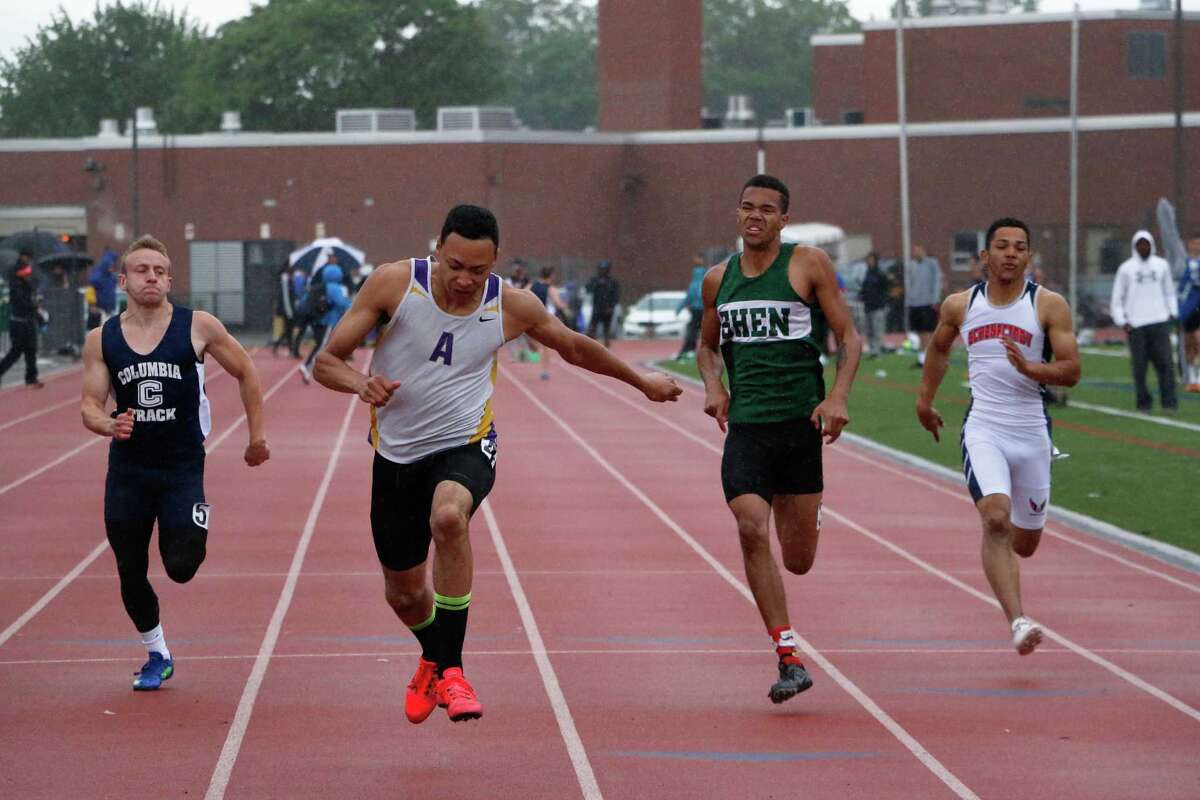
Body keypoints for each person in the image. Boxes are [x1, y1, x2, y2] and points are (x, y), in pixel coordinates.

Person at [312, 204, 681, 724]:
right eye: (455, 265)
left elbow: (574, 347)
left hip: (466, 441)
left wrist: (641, 382)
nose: (465, 280)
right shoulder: (394, 284)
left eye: (479, 269)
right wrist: (360, 383)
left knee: (448, 517)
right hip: (396, 454)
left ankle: (453, 671)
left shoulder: (511, 305)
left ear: (496, 261)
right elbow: (326, 362)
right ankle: (434, 659)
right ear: (437, 249)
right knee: (405, 595)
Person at [697, 175, 862, 704]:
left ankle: (810, 514)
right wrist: (713, 386)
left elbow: (849, 336)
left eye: (767, 209)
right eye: (747, 207)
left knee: (798, 560)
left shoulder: (807, 264)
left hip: (799, 426)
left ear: (783, 220)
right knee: (750, 526)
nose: (755, 216)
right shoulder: (718, 279)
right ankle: (788, 654)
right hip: (747, 427)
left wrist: (837, 397)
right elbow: (707, 346)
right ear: (737, 213)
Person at [79, 235, 270, 690]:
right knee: (129, 568)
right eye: (142, 270)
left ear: (169, 280)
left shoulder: (197, 326)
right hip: (128, 470)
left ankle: (194, 515)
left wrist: (256, 437)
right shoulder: (102, 339)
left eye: (160, 271)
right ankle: (157, 652)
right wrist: (107, 424)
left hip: (181, 466)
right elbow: (89, 404)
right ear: (123, 281)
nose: (152, 277)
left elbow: (246, 370)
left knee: (182, 566)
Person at [916, 218, 1080, 656]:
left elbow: (1072, 370)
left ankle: (1018, 559)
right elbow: (938, 349)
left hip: (1032, 432)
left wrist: (1032, 369)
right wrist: (924, 402)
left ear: (1029, 256)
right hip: (984, 427)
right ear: (985, 256)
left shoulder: (1048, 306)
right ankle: (1018, 621)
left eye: (1019, 247)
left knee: (1025, 544)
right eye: (1002, 246)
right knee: (994, 517)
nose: (1011, 253)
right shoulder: (960, 305)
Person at [1109, 230, 1178, 412]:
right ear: (1134, 246)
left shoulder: (1162, 265)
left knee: (1166, 365)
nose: (1143, 247)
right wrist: (1122, 320)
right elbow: (1117, 298)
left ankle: (1169, 403)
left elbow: (1169, 292)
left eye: (1146, 244)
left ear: (1151, 245)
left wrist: (1172, 312)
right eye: (1139, 244)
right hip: (1136, 325)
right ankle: (1143, 404)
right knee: (1139, 368)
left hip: (1159, 322)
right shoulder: (1126, 269)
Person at [298, 259, 352, 384]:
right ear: (338, 275)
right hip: (329, 321)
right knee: (322, 346)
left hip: (316, 320)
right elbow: (341, 304)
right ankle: (307, 366)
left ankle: (321, 369)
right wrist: (350, 303)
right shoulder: (336, 288)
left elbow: (304, 301)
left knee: (322, 345)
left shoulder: (318, 287)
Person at [0, 251, 45, 389]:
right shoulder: (16, 285)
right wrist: (33, 306)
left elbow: (30, 302)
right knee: (16, 351)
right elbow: (22, 303)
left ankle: (31, 378)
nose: (28, 276)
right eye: (26, 274)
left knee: (31, 350)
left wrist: (38, 314)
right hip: (18, 322)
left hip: (28, 321)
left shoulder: (28, 285)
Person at [905, 244, 943, 367]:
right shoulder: (911, 265)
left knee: (928, 331)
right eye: (914, 251)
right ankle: (922, 358)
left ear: (923, 251)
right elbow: (909, 284)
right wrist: (908, 301)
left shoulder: (932, 263)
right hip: (915, 303)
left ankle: (929, 357)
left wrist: (935, 300)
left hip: (928, 303)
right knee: (919, 331)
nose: (916, 253)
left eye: (918, 250)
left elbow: (937, 281)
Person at [530, 266, 569, 380]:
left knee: (535, 343)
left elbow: (523, 293)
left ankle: (534, 350)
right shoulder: (550, 289)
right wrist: (565, 305)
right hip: (544, 319)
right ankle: (544, 371)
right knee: (545, 346)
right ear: (551, 276)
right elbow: (558, 304)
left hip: (531, 317)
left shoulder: (532, 285)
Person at [1177, 234, 1200, 393]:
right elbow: (1181, 285)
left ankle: (1199, 378)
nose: (1196, 246)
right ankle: (1191, 378)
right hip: (1188, 308)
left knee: (1198, 341)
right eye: (1194, 243)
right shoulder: (1184, 263)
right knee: (1188, 344)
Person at [860, 252, 891, 357]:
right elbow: (864, 288)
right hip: (868, 306)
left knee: (878, 329)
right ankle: (872, 349)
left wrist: (882, 300)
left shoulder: (880, 274)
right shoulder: (867, 273)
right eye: (868, 260)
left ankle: (878, 350)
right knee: (869, 330)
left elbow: (885, 289)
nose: (869, 262)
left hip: (878, 306)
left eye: (871, 259)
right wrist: (862, 296)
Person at [675, 255, 706, 360]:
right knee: (704, 331)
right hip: (704, 310)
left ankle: (689, 349)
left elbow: (688, 298)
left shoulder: (694, 284)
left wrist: (679, 309)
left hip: (696, 310)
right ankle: (701, 350)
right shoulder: (705, 282)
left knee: (692, 330)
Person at [586, 260, 621, 347]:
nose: (603, 271)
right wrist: (596, 284)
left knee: (606, 329)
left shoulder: (612, 282)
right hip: (597, 308)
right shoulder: (595, 280)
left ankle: (606, 345)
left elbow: (616, 296)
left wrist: (611, 307)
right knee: (592, 328)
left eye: (605, 269)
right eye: (601, 269)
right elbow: (588, 289)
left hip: (607, 309)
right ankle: (590, 344)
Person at [271, 263, 300, 357]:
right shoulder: (285, 279)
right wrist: (289, 312)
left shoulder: (288, 279)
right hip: (287, 310)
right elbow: (286, 297)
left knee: (288, 330)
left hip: (287, 309)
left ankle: (280, 345)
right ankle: (286, 347)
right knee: (289, 330)